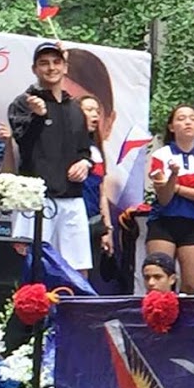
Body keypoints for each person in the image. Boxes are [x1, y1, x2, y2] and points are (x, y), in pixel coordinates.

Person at [6, 41, 94, 273]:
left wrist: (85, 163)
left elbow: (85, 150)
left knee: (78, 270)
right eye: (44, 63)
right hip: (35, 199)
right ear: (34, 69)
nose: (51, 68)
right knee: (35, 266)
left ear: (65, 67)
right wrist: (37, 116)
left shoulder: (75, 108)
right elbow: (22, 141)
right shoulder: (23, 103)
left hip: (72, 198)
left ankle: (73, 300)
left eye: (56, 62)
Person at [146, 104, 194, 295]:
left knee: (191, 286)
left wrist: (176, 186)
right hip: (164, 222)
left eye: (192, 118)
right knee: (160, 282)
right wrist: (173, 176)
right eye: (181, 118)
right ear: (172, 127)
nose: (187, 122)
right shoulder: (161, 155)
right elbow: (164, 198)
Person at [78, 95, 114, 266]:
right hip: (72, 220)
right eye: (89, 110)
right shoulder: (67, 147)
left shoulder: (96, 150)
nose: (95, 115)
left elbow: (102, 193)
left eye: (97, 111)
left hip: (93, 223)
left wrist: (107, 228)